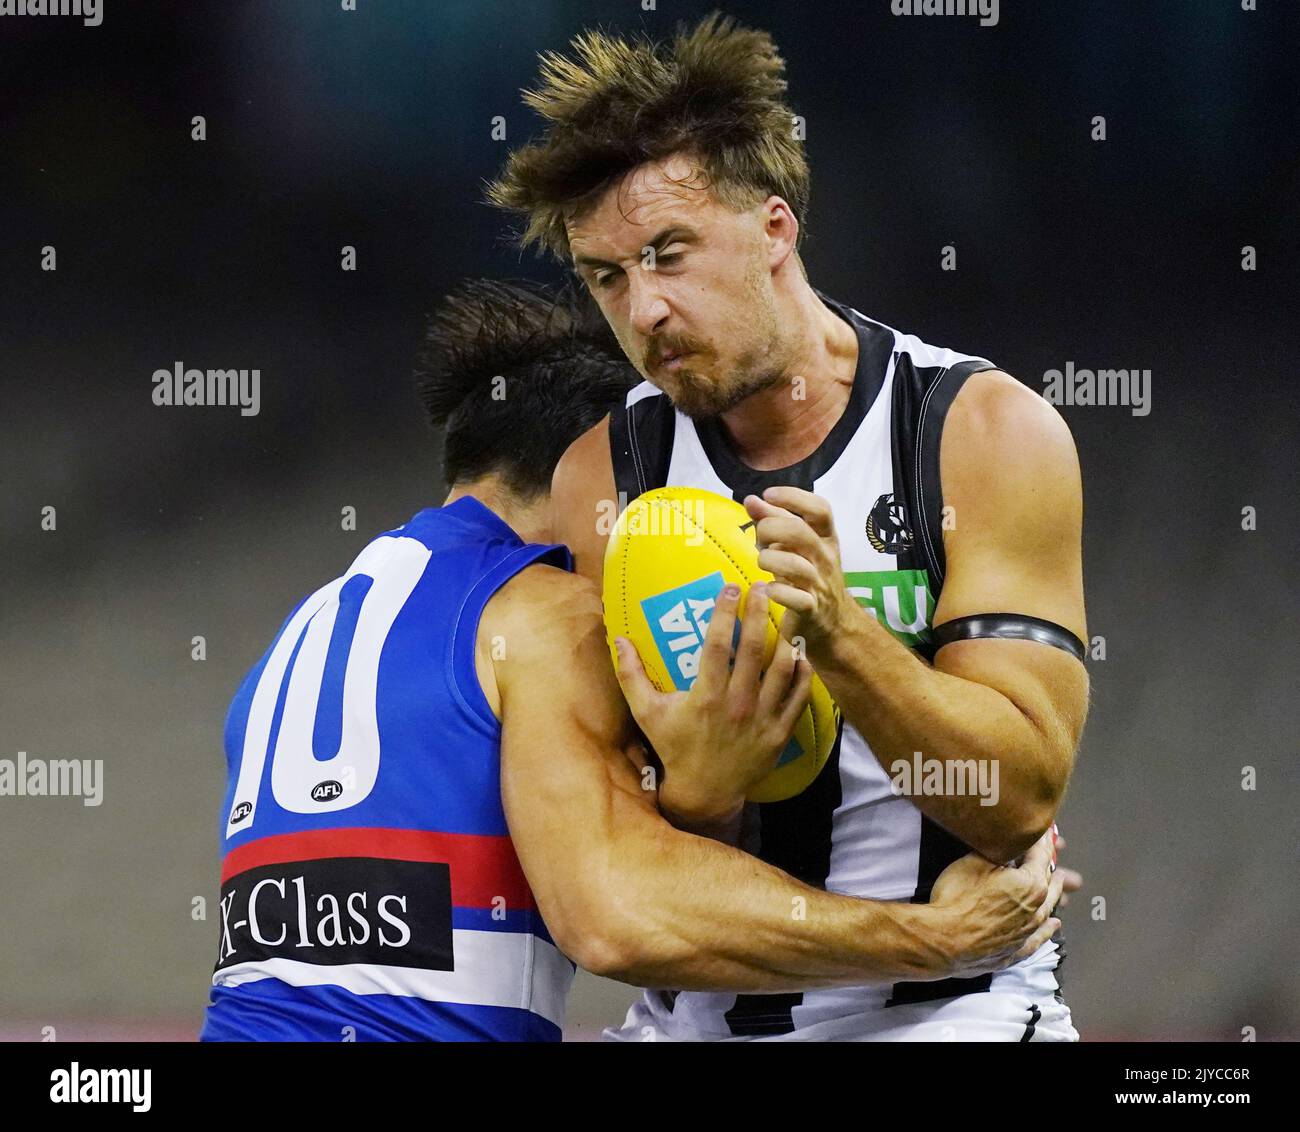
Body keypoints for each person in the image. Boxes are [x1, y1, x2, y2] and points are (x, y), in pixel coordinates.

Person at [200, 279, 1069, 1042]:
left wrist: (693, 792)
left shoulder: (307, 629)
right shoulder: (553, 613)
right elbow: (617, 916)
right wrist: (940, 940)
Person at [492, 15, 1089, 1040]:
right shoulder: (601, 476)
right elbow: (614, 870)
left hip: (950, 1011)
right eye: (606, 278)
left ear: (774, 228)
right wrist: (701, 786)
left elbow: (1016, 799)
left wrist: (844, 637)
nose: (643, 312)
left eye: (666, 254)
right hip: (702, 1014)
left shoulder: (981, 432)